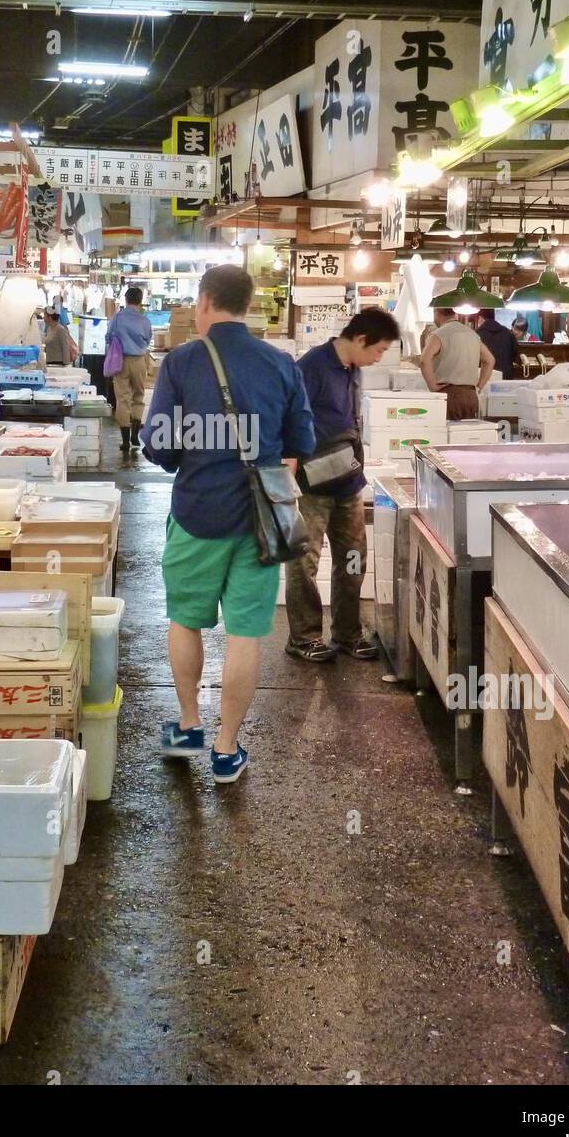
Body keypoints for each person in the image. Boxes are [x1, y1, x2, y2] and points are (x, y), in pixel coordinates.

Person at [141, 264, 315, 785]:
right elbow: (299, 445)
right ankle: (226, 748)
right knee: (245, 634)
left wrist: (188, 462)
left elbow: (158, 443)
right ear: (247, 305)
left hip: (197, 513)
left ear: (205, 301)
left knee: (185, 620)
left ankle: (190, 724)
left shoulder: (182, 362)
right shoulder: (281, 363)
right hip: (262, 522)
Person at [285, 308, 401, 663]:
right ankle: (303, 637)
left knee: (352, 559)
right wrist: (286, 476)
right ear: (360, 339)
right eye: (378, 350)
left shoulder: (354, 369)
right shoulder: (312, 367)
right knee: (304, 562)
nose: (378, 358)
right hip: (312, 485)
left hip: (348, 482)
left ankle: (347, 633)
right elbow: (288, 420)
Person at [421, 307, 495, 421]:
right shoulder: (473, 334)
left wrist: (432, 386)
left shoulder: (437, 334)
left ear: (436, 313)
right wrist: (479, 387)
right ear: (454, 313)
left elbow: (424, 361)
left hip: (448, 395)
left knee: (447, 435)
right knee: (468, 436)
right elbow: (490, 360)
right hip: (471, 396)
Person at [106, 285, 153, 454]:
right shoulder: (145, 320)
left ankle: (125, 441)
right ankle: (135, 434)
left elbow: (108, 336)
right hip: (139, 360)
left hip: (121, 361)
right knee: (138, 396)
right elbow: (148, 339)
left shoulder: (117, 318)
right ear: (141, 302)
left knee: (122, 398)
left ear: (125, 300)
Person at [477, 308, 517, 380]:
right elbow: (514, 356)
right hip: (506, 377)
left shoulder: (477, 334)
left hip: (486, 377)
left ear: (480, 318)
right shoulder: (508, 333)